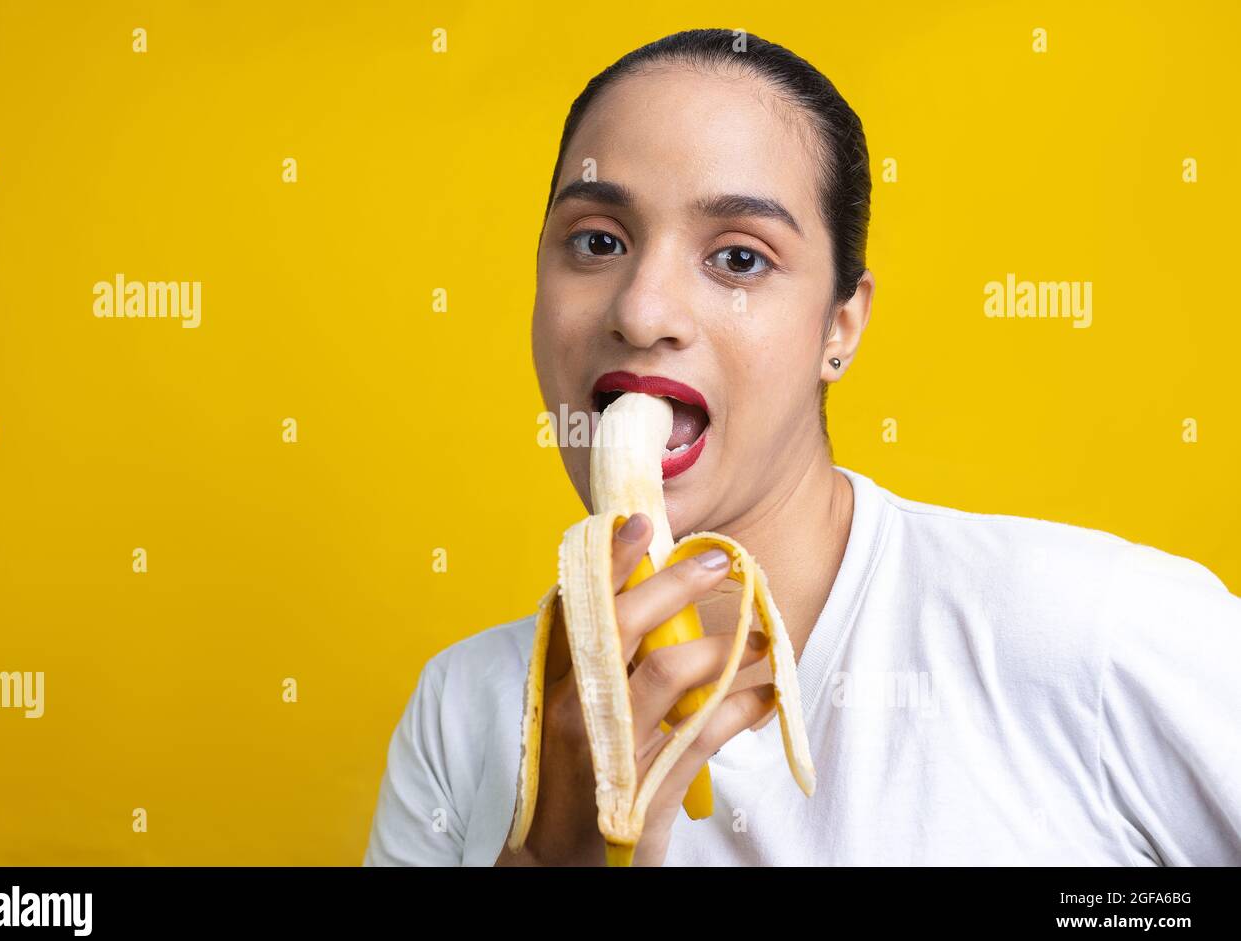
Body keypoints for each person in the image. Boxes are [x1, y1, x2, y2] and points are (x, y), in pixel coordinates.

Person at [364, 28, 1241, 866]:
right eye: (598, 241)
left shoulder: (1091, 635)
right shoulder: (463, 712)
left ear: (841, 326)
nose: (642, 310)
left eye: (739, 260)